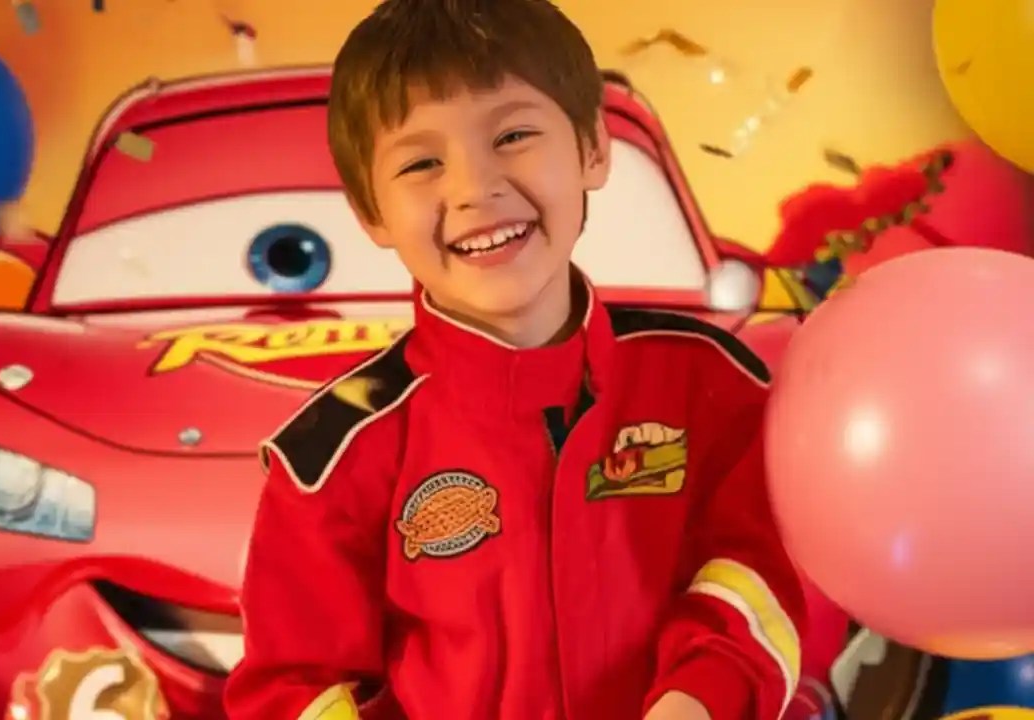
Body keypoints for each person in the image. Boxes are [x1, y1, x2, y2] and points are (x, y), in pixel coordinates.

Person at [223, 0, 808, 718]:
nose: (475, 189)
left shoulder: (706, 383)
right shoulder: (335, 455)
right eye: (422, 163)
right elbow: (289, 688)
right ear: (371, 212)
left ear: (592, 148)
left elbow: (760, 574)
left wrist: (697, 701)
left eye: (514, 135)